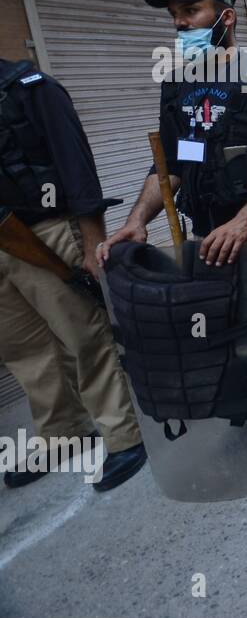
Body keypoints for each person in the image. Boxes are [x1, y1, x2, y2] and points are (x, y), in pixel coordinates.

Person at [102, 0, 247, 308]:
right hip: (211, 235)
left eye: (191, 10)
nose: (180, 23)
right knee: (239, 335)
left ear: (226, 17)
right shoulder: (175, 85)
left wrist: (244, 222)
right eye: (174, 14)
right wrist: (137, 220)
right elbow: (170, 163)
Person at [0, 57, 146, 491]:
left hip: (43, 233)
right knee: (23, 349)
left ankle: (125, 434)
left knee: (84, 335)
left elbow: (76, 166)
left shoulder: (30, 87)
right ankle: (62, 432)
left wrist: (90, 241)